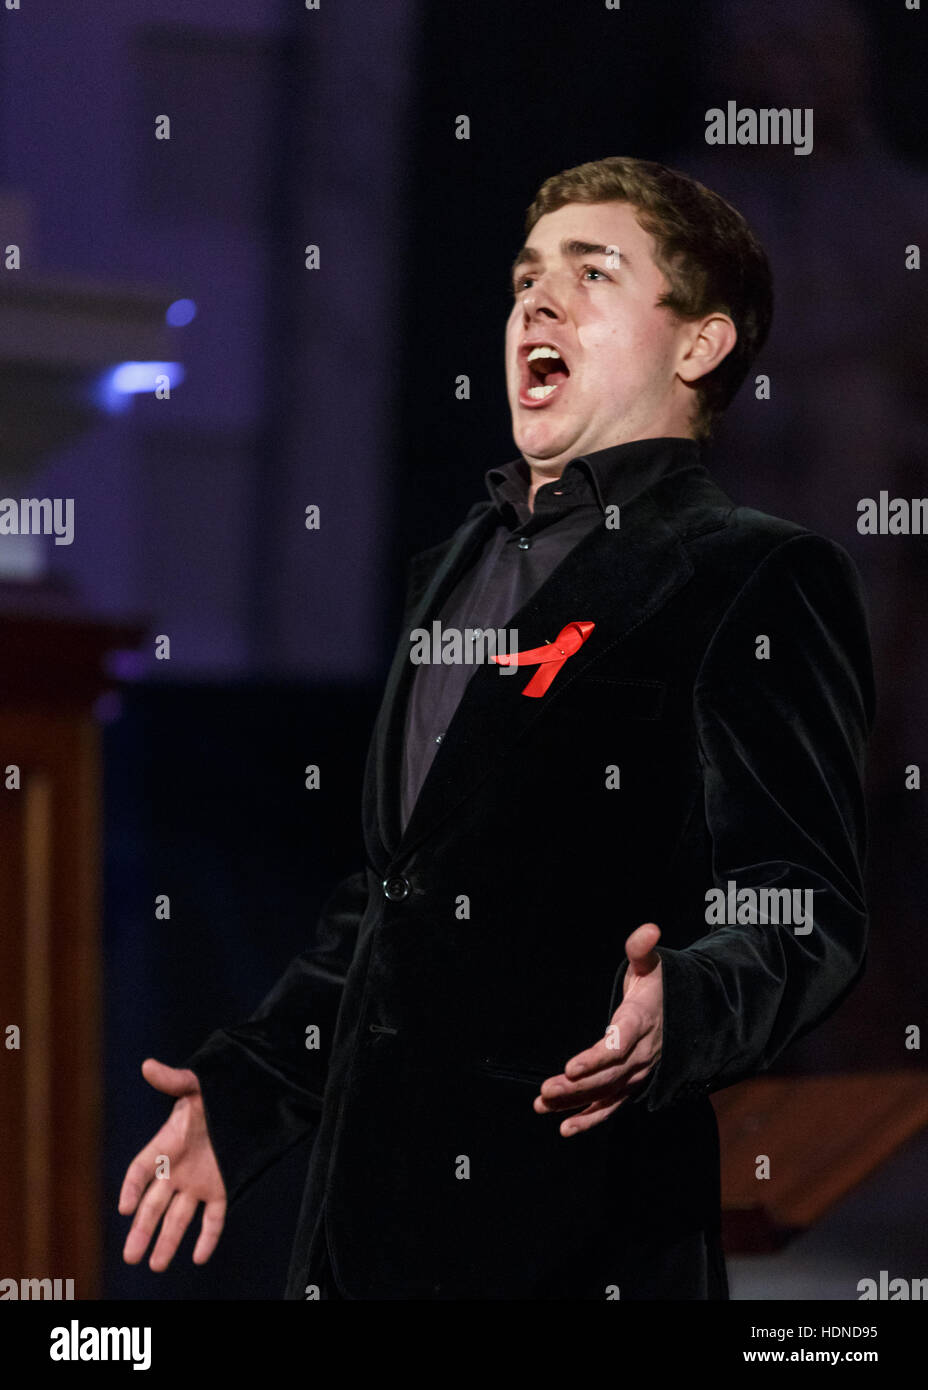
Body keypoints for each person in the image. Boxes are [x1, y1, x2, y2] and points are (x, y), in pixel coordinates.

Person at [119, 156, 874, 1300]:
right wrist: (246, 1093)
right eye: (527, 278)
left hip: (574, 1238)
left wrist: (690, 1002)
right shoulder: (451, 569)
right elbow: (392, 899)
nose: (537, 299)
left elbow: (802, 905)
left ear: (698, 345)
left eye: (592, 272)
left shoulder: (754, 576)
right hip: (362, 1243)